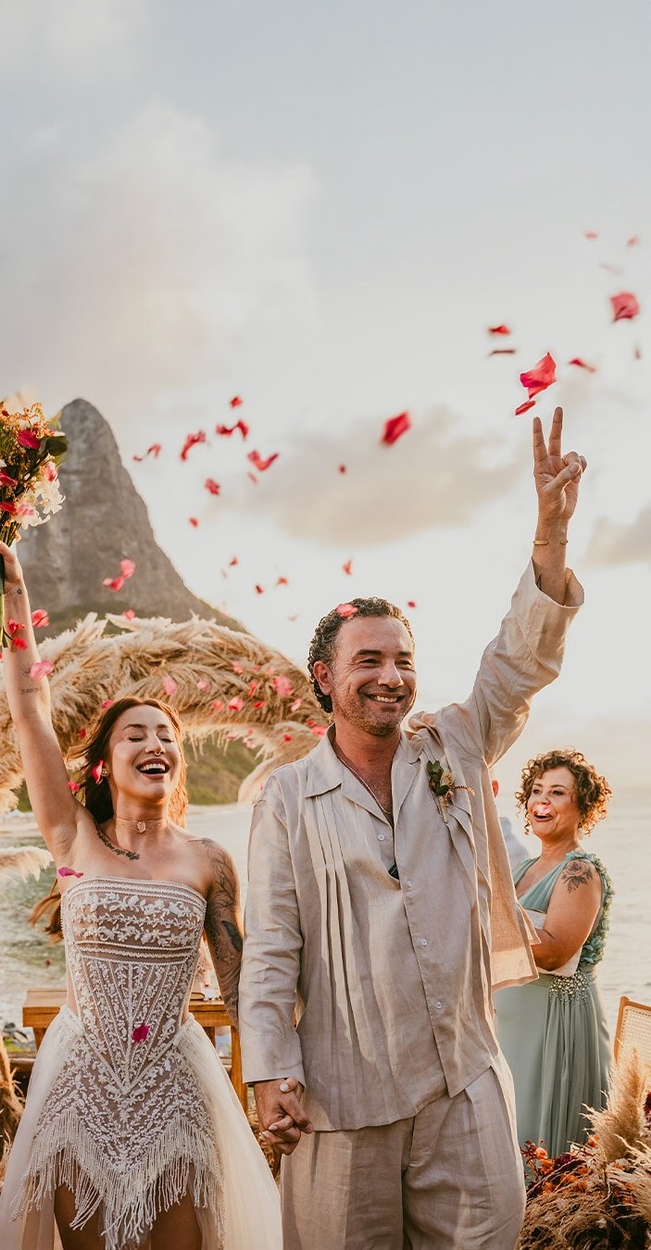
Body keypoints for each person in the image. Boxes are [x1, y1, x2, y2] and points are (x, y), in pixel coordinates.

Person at [239, 408, 586, 1250]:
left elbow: (519, 661)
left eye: (403, 660)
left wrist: (548, 538)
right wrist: (268, 1068)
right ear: (325, 679)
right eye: (369, 661)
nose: (392, 677)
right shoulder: (287, 798)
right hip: (343, 1099)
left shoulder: (453, 745)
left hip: (464, 1084)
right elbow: (272, 945)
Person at [0, 538, 281, 1250]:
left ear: (176, 764)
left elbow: (238, 982)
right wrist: (13, 590)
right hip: (79, 1081)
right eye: (135, 735)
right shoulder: (72, 837)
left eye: (167, 736)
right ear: (107, 763)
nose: (156, 744)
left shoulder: (210, 862)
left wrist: (272, 1077)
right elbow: (29, 707)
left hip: (176, 1084)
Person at [494, 749, 613, 1159]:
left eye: (558, 792)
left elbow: (553, 952)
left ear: (582, 807)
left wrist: (490, 910)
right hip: (508, 1024)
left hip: (553, 1023)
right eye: (536, 790)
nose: (541, 800)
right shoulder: (521, 869)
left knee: (543, 1145)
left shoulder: (581, 871)